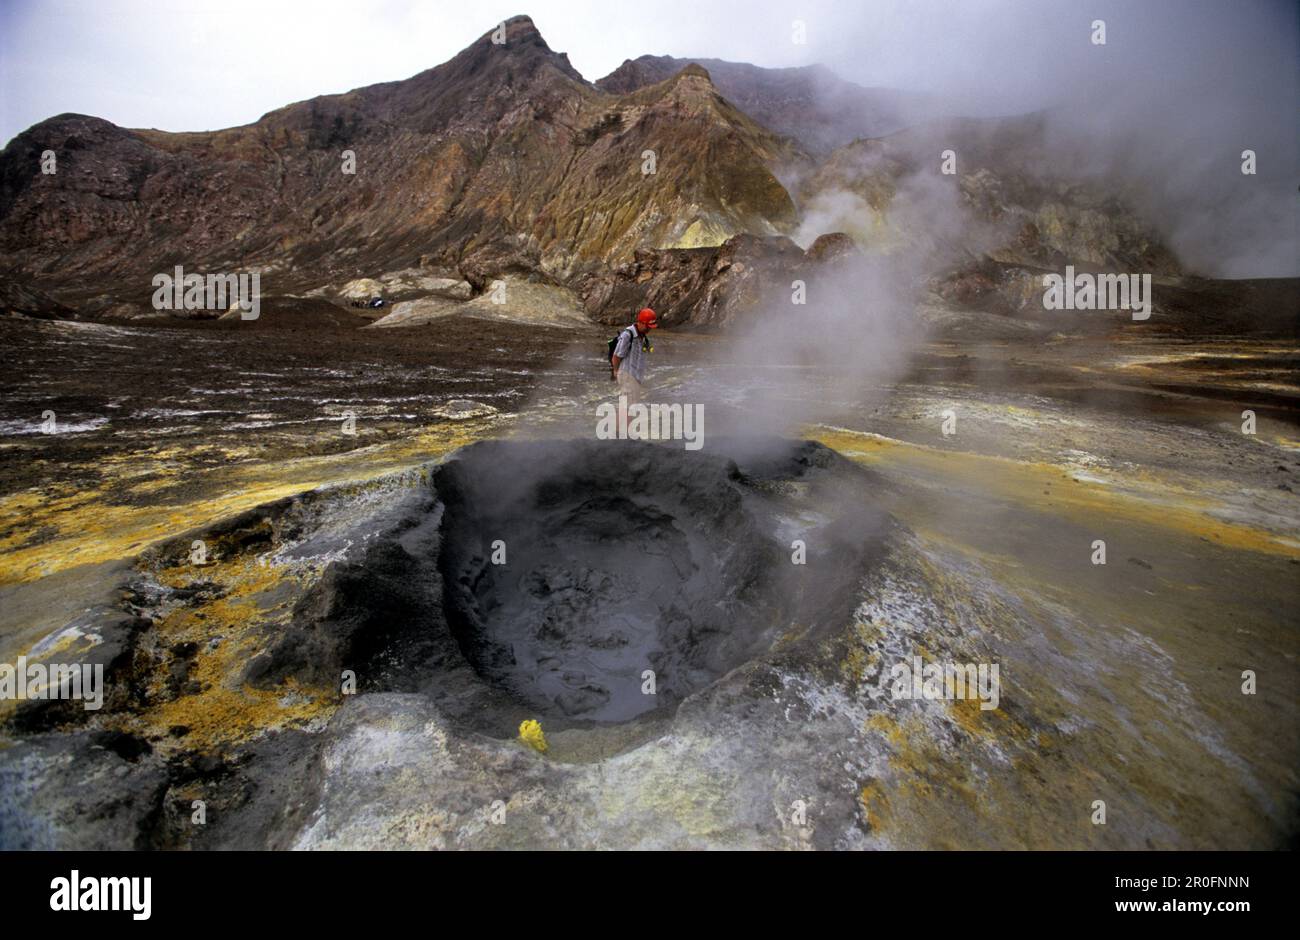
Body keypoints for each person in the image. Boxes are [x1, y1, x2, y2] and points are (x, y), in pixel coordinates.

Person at [610, 307, 657, 404]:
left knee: (631, 407)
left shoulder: (642, 336)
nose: (649, 329)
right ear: (641, 322)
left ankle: (624, 419)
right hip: (627, 376)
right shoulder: (628, 335)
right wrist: (616, 371)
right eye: (648, 327)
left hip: (636, 377)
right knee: (626, 407)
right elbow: (616, 356)